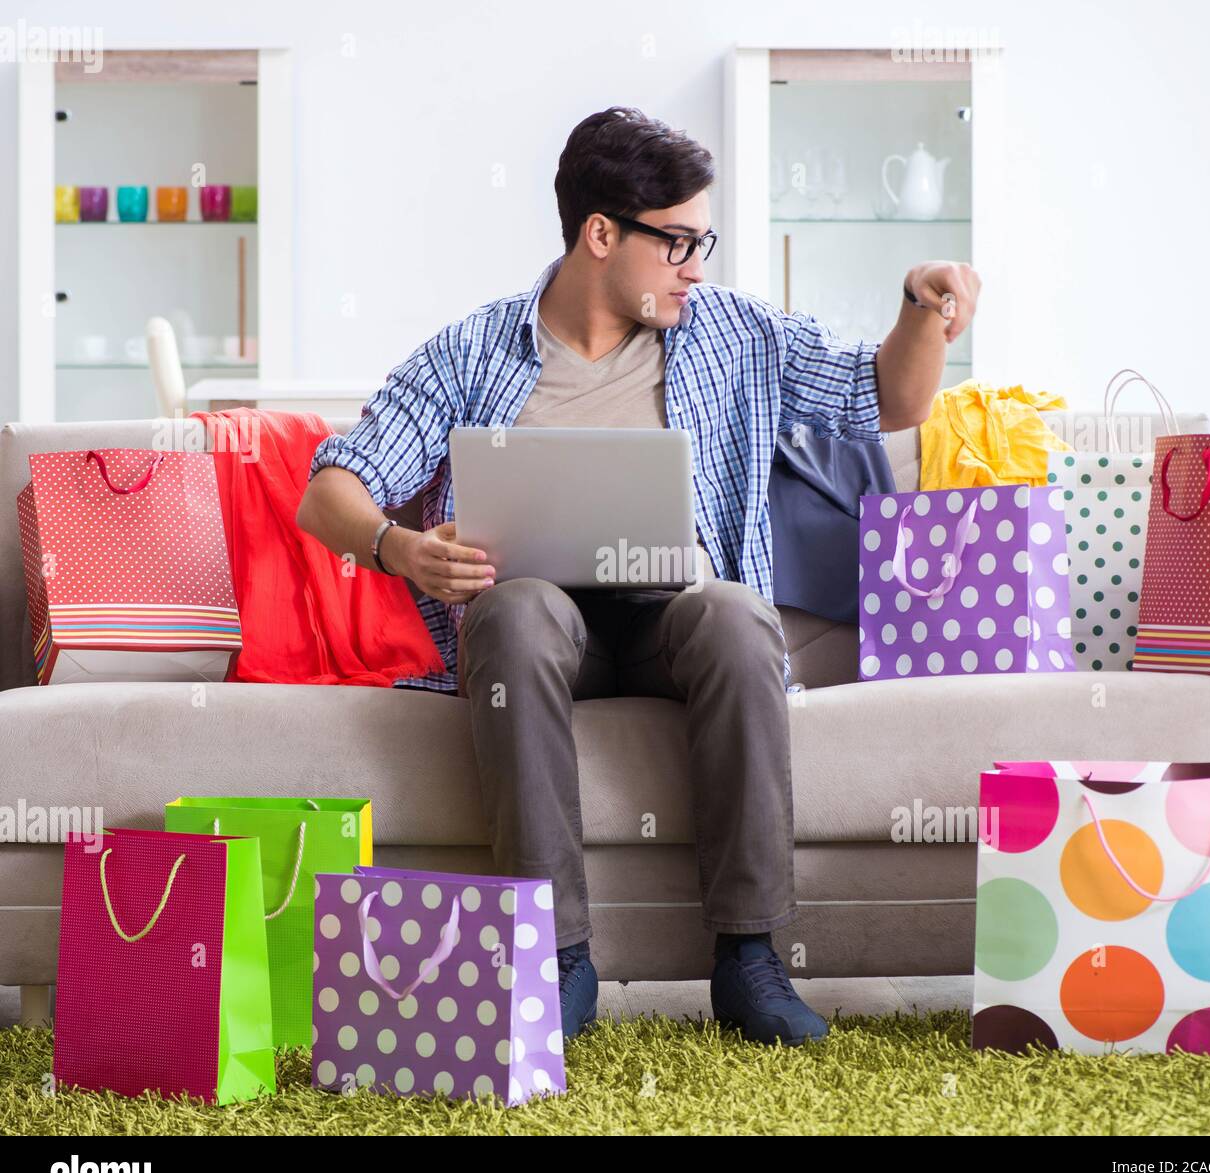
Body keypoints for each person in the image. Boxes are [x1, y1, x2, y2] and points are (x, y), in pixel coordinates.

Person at [297, 105, 980, 1047]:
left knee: (739, 617)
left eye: (706, 240)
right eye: (680, 242)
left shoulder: (733, 332)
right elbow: (329, 486)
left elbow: (887, 398)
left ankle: (750, 959)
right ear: (602, 234)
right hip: (543, 636)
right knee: (515, 611)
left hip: (675, 621)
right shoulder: (474, 349)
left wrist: (919, 309)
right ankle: (555, 960)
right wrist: (401, 548)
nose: (698, 264)